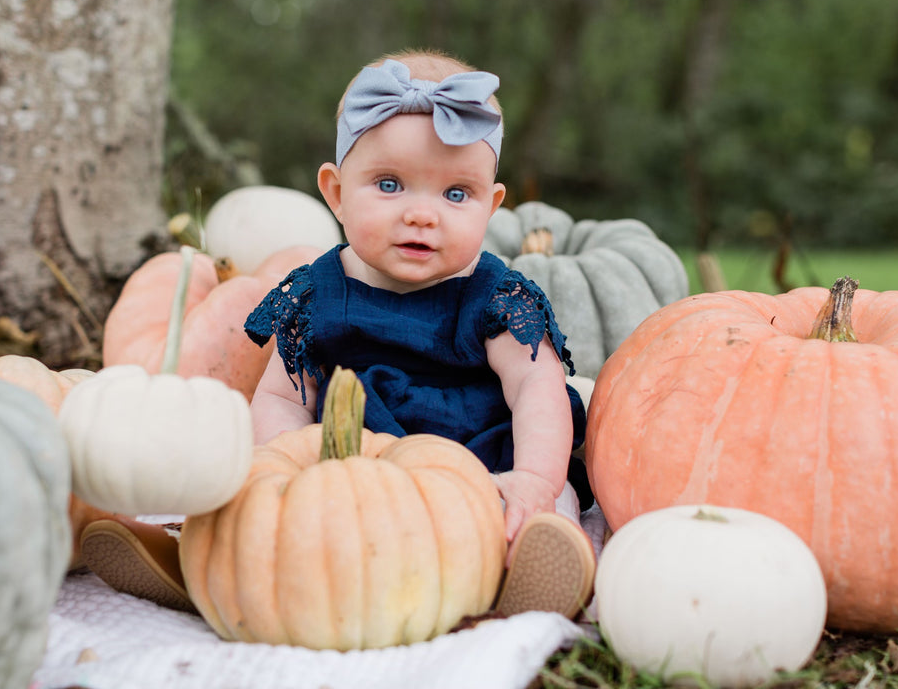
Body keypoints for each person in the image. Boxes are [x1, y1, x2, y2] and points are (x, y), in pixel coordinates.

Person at [80, 49, 595, 620]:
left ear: (491, 207)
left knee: (545, 509)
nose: (423, 215)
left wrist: (533, 479)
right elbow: (282, 396)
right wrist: (277, 472)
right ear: (336, 193)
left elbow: (538, 390)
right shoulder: (315, 293)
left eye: (455, 194)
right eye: (391, 184)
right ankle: (199, 569)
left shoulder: (496, 297)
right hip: (352, 478)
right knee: (259, 512)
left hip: (472, 474)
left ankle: (526, 575)